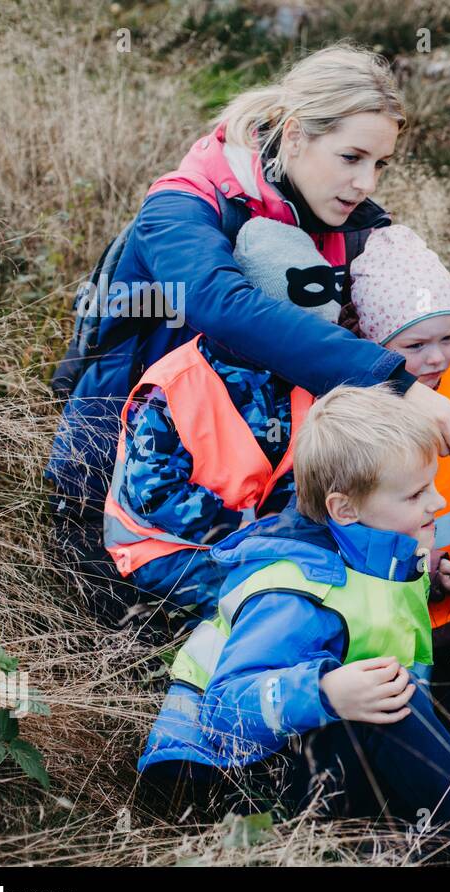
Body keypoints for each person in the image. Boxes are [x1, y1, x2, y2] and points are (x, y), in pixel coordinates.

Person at [47, 44, 450, 624]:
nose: (364, 182)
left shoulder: (334, 208)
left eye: (380, 164)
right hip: (134, 482)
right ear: (296, 134)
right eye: (351, 156)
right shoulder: (180, 208)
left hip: (260, 477)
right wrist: (393, 383)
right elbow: (221, 305)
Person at [136, 385, 450, 841]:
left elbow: (368, 610)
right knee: (395, 699)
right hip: (260, 775)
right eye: (416, 494)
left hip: (330, 749)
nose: (438, 502)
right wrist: (324, 690)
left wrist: (433, 580)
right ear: (344, 508)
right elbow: (224, 711)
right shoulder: (293, 594)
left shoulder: (374, 550)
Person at [101, 217, 339, 626]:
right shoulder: (171, 389)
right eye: (300, 333)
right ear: (256, 321)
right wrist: (254, 533)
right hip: (166, 550)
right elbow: (154, 497)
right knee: (268, 609)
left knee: (333, 592)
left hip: (261, 541)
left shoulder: (301, 380)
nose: (310, 348)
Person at [348, 223, 450, 673]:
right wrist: (424, 572)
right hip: (407, 613)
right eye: (415, 345)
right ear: (375, 345)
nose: (436, 357)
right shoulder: (359, 409)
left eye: (448, 338)